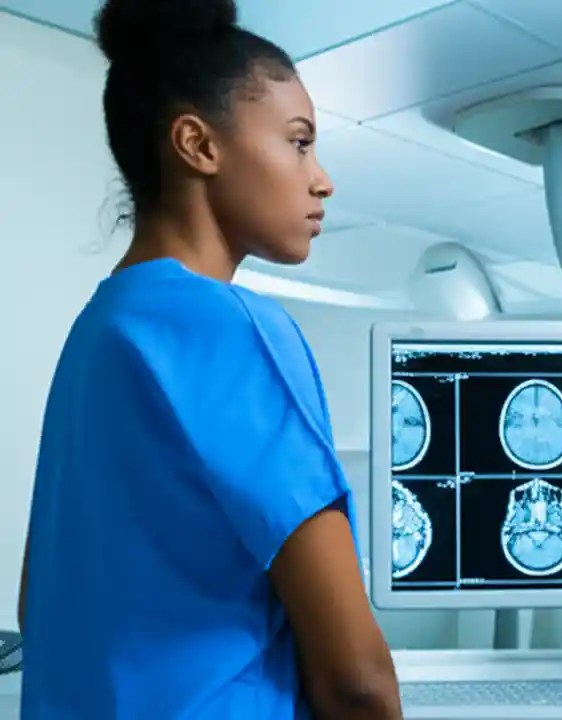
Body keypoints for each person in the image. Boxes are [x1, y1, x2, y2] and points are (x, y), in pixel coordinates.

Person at [16, 1, 402, 717]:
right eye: (298, 142)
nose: (322, 178)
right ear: (197, 144)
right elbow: (356, 679)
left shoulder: (96, 334)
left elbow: (39, 602)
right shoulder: (231, 329)